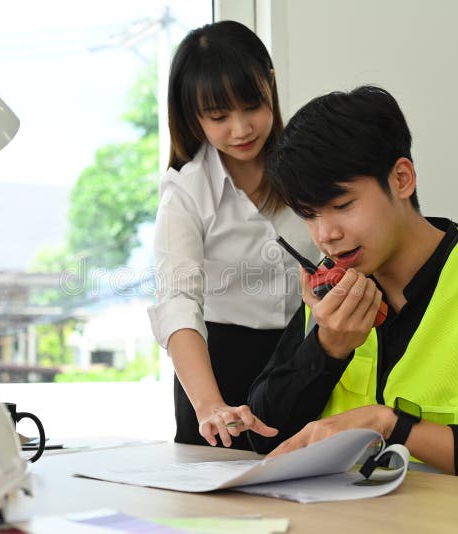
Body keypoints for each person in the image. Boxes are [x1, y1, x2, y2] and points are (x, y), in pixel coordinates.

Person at [247, 86, 458, 488]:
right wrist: (326, 349)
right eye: (310, 215)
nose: (326, 235)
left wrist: (389, 425)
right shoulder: (331, 293)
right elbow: (263, 434)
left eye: (342, 206)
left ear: (402, 179)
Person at [147, 20, 318, 450]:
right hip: (217, 369)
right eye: (219, 117)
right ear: (193, 115)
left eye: (252, 106)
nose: (241, 129)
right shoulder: (185, 194)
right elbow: (178, 301)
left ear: (271, 85)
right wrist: (209, 405)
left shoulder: (311, 170)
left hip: (307, 358)